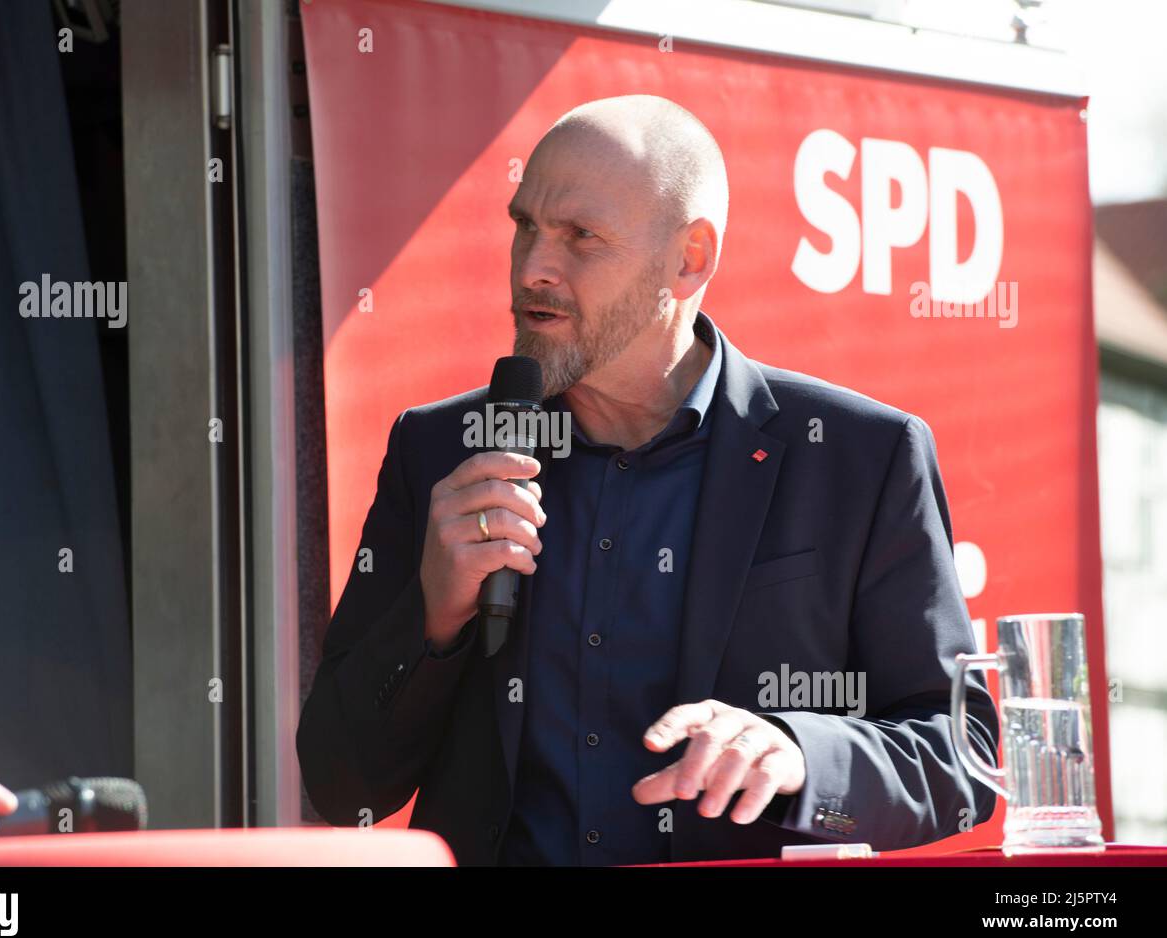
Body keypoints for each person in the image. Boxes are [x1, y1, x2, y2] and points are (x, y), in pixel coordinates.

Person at [297, 94, 1000, 865]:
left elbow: (959, 754)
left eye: (581, 238)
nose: (533, 267)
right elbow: (341, 784)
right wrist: (433, 616)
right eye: (524, 226)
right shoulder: (439, 451)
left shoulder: (858, 457)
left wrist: (802, 753)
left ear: (690, 258)